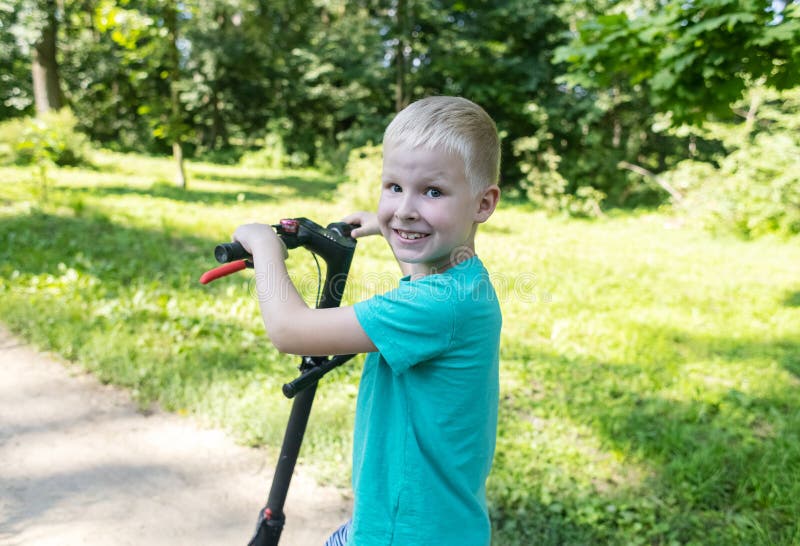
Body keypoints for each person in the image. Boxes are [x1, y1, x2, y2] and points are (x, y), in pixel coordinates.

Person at [233, 96, 502, 545]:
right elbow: (422, 262)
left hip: (402, 534)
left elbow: (290, 331)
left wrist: (265, 248)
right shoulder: (463, 280)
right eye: (394, 187)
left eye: (432, 192)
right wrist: (386, 226)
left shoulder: (438, 305)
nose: (406, 208)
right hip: (433, 525)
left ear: (483, 203)